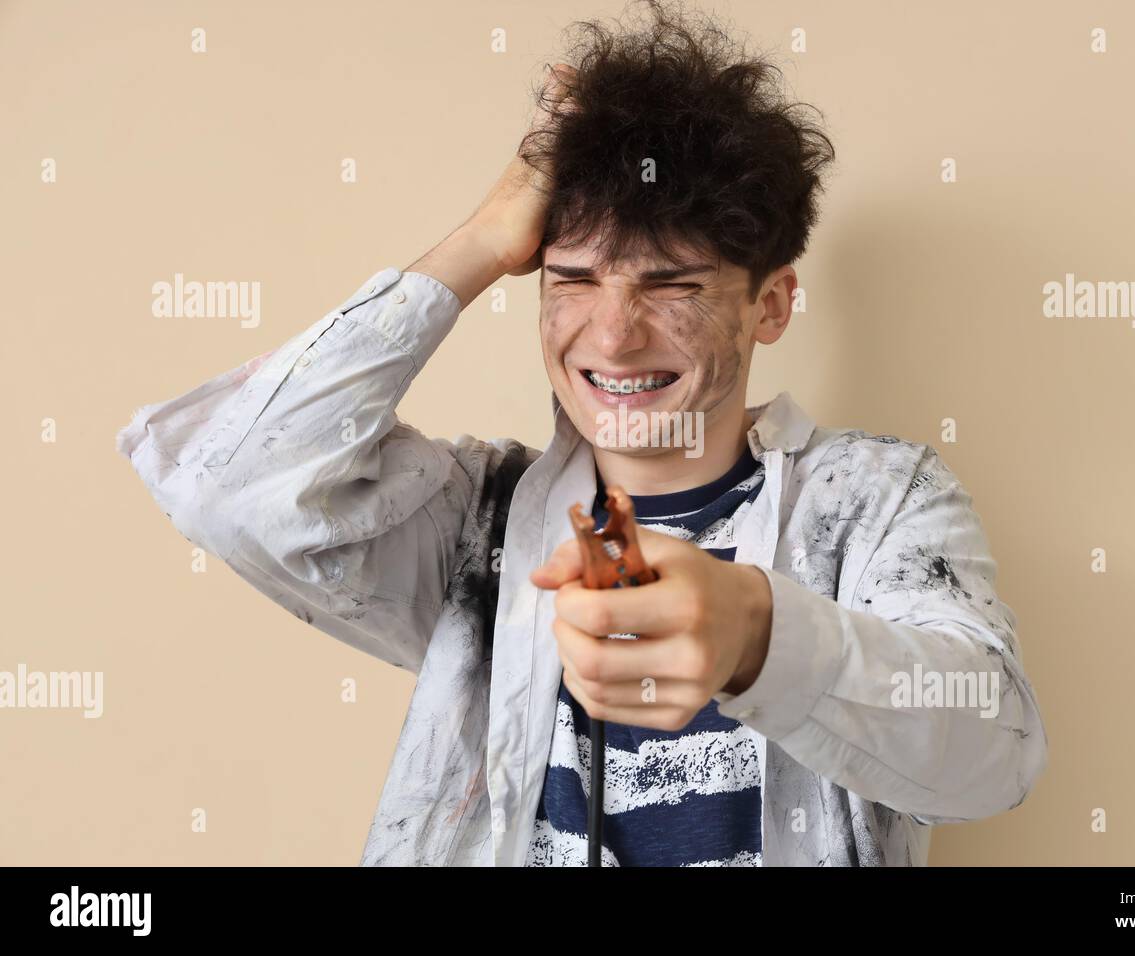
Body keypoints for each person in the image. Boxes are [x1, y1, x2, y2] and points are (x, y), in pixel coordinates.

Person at [117, 0, 1046, 866]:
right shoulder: (477, 523)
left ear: (772, 303)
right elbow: (223, 483)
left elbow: (994, 753)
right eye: (572, 278)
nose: (612, 334)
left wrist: (757, 635)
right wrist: (486, 234)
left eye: (671, 284)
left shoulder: (879, 499)